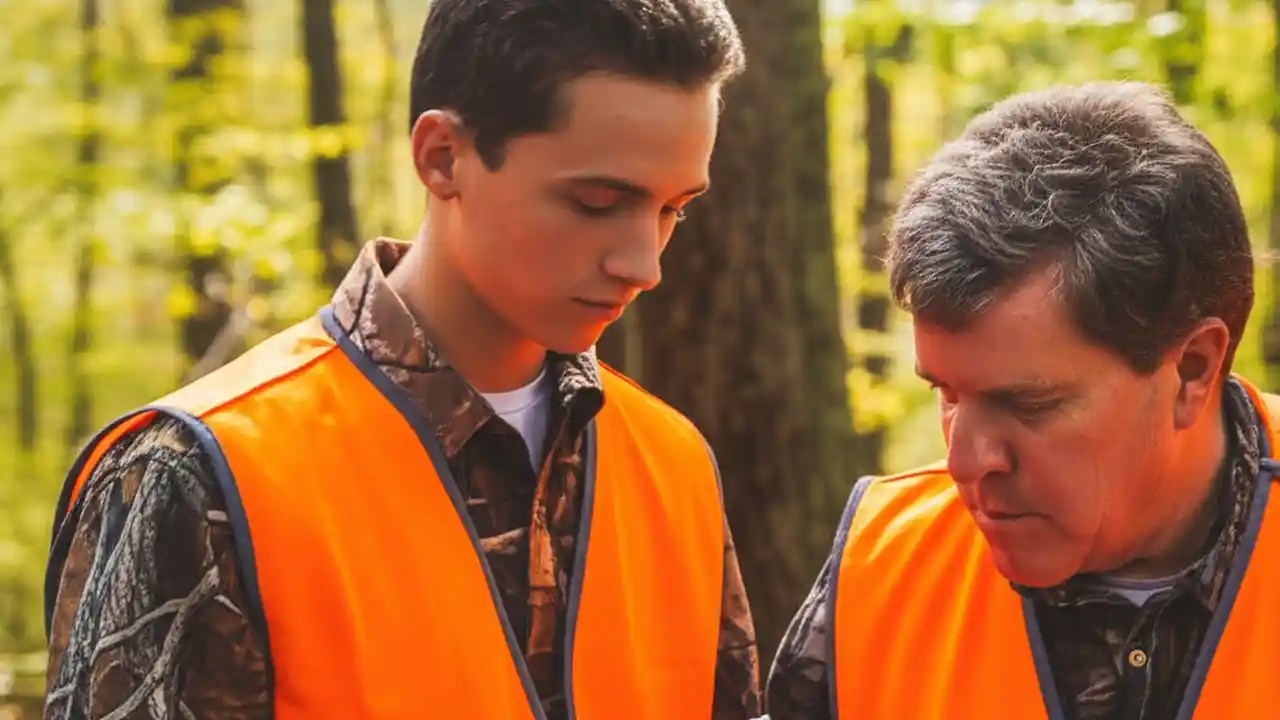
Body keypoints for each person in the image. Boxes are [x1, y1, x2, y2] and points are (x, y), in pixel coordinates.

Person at [43, 1, 760, 717]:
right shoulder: (200, 473)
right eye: (597, 202)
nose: (644, 265)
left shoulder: (673, 465)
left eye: (673, 209)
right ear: (442, 157)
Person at [766, 81, 1277, 719]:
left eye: (1028, 405)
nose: (965, 462)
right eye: (947, 395)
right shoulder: (883, 567)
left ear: (1193, 368)